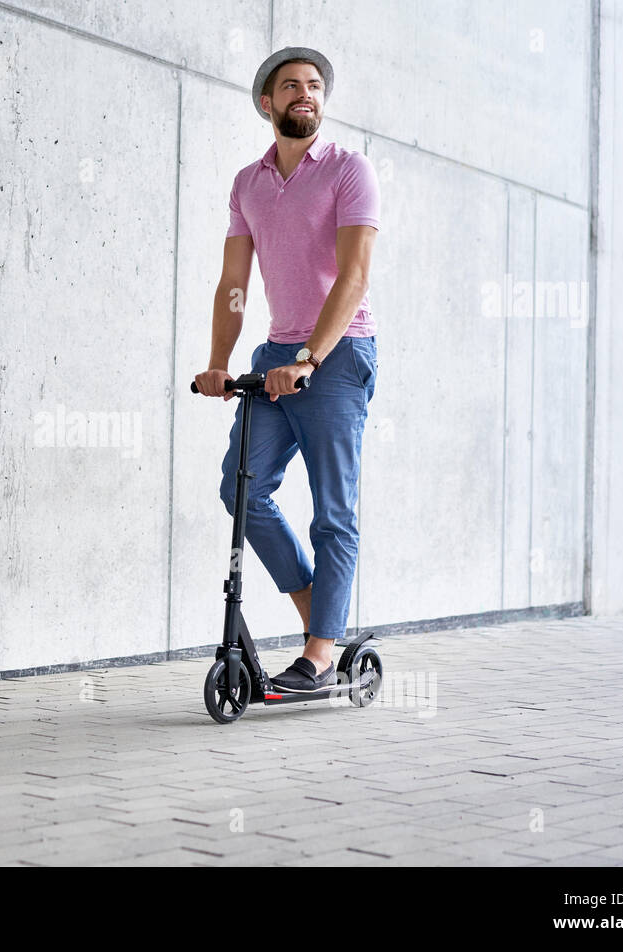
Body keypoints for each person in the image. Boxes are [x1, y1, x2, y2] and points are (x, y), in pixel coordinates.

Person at [193, 47, 380, 693]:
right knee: (240, 490)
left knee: (333, 512)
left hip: (338, 353)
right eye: (292, 85)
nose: (307, 92)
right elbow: (233, 285)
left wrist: (310, 359)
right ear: (267, 103)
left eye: (315, 85)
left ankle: (322, 656)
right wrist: (219, 364)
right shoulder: (248, 183)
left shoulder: (350, 170)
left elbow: (354, 277)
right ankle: (317, 620)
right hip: (274, 359)